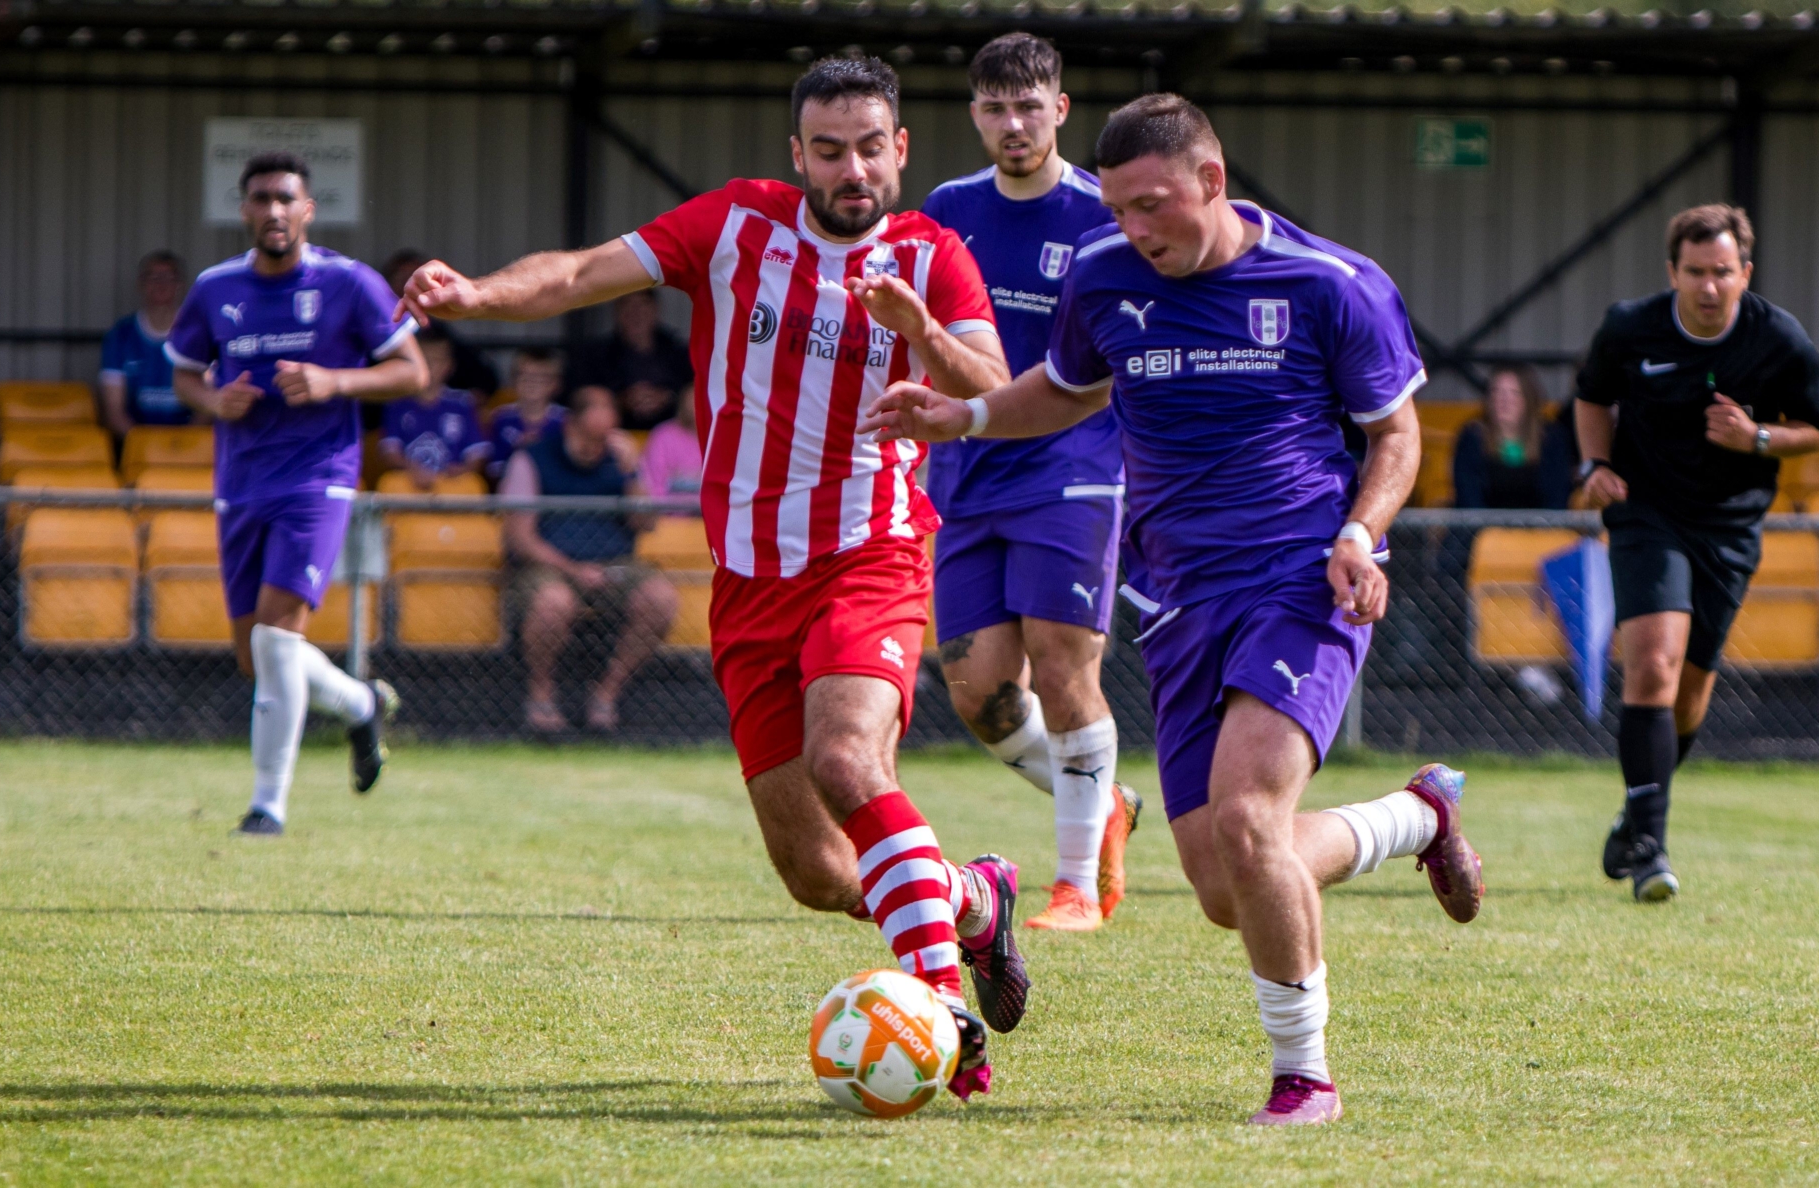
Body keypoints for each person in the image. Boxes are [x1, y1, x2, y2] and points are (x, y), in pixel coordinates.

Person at [396, 56, 1023, 1100]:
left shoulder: (931, 254)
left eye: (871, 145)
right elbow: (581, 273)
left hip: (869, 553)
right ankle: (969, 902)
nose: (852, 166)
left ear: (900, 148)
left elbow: (995, 386)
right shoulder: (736, 225)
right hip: (747, 583)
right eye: (829, 148)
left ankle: (940, 1021)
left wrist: (919, 334)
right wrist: (475, 295)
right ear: (797, 155)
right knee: (816, 873)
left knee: (848, 764)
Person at [864, 94, 1486, 1126]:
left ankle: (1304, 1080)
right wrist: (964, 412)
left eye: (1152, 205)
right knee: (1221, 884)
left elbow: (1396, 436)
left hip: (1300, 581)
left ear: (1211, 180)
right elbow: (1065, 390)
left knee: (1249, 820)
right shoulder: (1103, 276)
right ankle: (1415, 817)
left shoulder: (1330, 285)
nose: (1135, 229)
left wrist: (1357, 535)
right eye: (1118, 209)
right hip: (1177, 599)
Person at [918, 33, 1138, 933]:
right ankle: (1105, 804)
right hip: (967, 465)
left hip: (1073, 462)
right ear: (975, 115)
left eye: (1030, 106)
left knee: (1062, 660)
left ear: (1061, 110)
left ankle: (1075, 885)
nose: (1014, 124)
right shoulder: (946, 207)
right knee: (977, 691)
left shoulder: (1102, 214)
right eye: (996, 109)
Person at [1574, 204, 1819, 902]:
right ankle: (1650, 850)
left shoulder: (1779, 339)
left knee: (1689, 699)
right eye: (1696, 272)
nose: (1709, 287)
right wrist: (1593, 463)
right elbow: (1591, 397)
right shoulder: (1631, 326)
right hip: (1645, 512)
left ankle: (1635, 812)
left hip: (1730, 528)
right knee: (1652, 664)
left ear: (1745, 273)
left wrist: (1757, 438)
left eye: (1723, 272)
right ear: (1673, 273)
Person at [165, 151, 423, 837]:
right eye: (260, 199)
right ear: (244, 209)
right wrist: (215, 401)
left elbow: (411, 369)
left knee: (279, 638)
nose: (273, 210)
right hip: (242, 480)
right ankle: (361, 704)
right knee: (255, 655)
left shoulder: (349, 284)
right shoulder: (215, 288)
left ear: (308, 209)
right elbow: (186, 374)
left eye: (286, 198)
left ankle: (266, 807)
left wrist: (336, 382)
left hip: (320, 477)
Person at [499, 385, 678, 733]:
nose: (595, 449)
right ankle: (541, 693)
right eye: (589, 438)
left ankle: (606, 693)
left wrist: (632, 472)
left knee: (660, 598)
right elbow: (520, 538)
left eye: (603, 439)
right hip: (549, 566)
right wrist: (573, 570)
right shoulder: (532, 458)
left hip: (614, 563)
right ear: (570, 425)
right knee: (553, 602)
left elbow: (647, 523)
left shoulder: (621, 461)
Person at [99, 250, 200, 436]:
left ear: (180, 284)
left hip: (189, 446)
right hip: (136, 447)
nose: (161, 284)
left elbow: (206, 405)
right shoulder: (121, 335)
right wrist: (145, 446)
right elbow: (114, 411)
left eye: (169, 277)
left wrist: (182, 444)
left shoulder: (197, 334)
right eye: (153, 277)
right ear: (141, 284)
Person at [379, 326, 491, 489]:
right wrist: (412, 469)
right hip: (410, 483)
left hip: (451, 484)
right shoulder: (396, 404)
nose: (430, 366)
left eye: (437, 360)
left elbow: (477, 454)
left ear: (449, 366)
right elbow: (389, 452)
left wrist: (462, 470)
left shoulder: (462, 404)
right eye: (424, 359)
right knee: (390, 483)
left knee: (473, 485)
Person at [380, 248, 499, 397]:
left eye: (415, 280)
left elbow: (485, 379)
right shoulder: (375, 327)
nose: (408, 287)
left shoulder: (436, 330)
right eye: (402, 279)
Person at [1452, 366, 1574, 510]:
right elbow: (1468, 498)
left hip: (1541, 530)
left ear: (1529, 399)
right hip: (1483, 530)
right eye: (1497, 392)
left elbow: (1558, 498)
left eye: (1514, 393)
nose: (1504, 400)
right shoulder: (1472, 437)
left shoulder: (1551, 439)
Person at [577, 288, 696, 431]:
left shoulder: (680, 353)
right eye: (627, 305)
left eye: (643, 305)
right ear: (617, 312)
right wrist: (620, 400)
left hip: (673, 438)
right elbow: (580, 399)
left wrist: (669, 397)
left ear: (655, 309)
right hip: (613, 436)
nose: (635, 313)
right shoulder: (596, 355)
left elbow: (697, 392)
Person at [486, 347, 568, 484]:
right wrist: (516, 452)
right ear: (513, 379)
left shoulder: (566, 421)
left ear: (555, 384)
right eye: (525, 376)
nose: (532, 384)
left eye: (541, 378)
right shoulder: (501, 418)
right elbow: (493, 469)